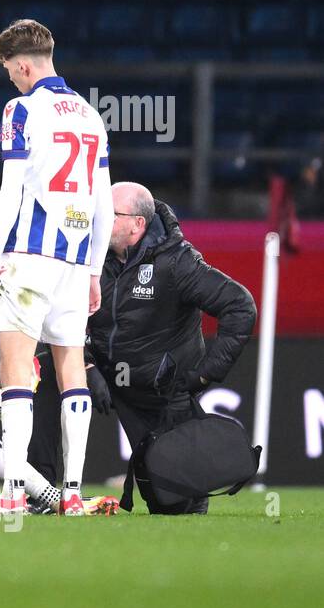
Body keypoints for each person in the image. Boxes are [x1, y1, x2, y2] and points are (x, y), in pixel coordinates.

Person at [0, 19, 114, 516]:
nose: (11, 81)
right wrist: (95, 267)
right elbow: (102, 201)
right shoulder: (91, 116)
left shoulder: (22, 108)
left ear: (23, 65)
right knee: (70, 366)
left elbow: (11, 190)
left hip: (29, 257)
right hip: (75, 262)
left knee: (16, 366)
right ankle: (72, 493)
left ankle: (13, 493)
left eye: (11, 72)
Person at [85, 182, 256, 515]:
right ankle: (39, 492)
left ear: (138, 223)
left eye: (111, 214)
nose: (100, 220)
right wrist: (88, 365)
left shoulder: (177, 262)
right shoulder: (88, 255)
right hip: (112, 380)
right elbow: (62, 318)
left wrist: (205, 375)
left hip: (162, 393)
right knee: (46, 370)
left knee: (173, 503)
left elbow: (240, 306)